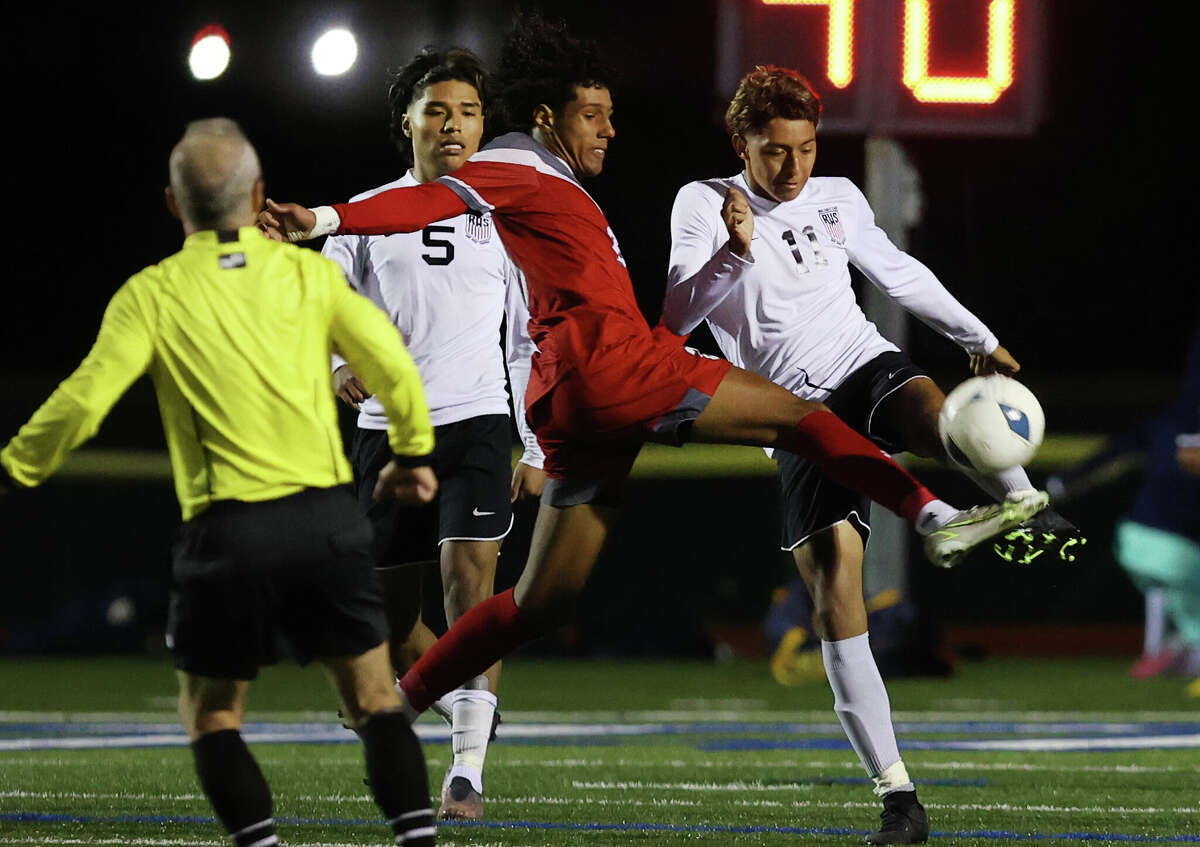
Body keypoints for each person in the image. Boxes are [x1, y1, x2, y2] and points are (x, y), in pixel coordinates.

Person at [258, 13, 1048, 835]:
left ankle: (403, 700)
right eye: (593, 114)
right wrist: (323, 220)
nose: (609, 128)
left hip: (571, 403)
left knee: (537, 601)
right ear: (548, 119)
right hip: (621, 367)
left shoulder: (546, 181)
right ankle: (938, 515)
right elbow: (420, 200)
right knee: (807, 420)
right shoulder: (519, 164)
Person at [661, 66, 1085, 844]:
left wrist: (977, 338)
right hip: (792, 411)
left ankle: (1019, 500)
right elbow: (674, 317)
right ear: (740, 144)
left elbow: (896, 271)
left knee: (944, 414)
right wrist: (731, 248)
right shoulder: (702, 201)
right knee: (834, 600)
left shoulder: (838, 197)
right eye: (775, 152)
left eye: (807, 149)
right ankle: (899, 797)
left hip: (866, 364)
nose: (793, 169)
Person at [0, 119, 439, 847]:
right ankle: (418, 840)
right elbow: (390, 360)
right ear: (259, 194)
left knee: (213, 717)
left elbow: (83, 399)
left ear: (174, 205)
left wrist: (14, 469)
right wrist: (414, 451)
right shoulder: (308, 274)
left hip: (227, 532)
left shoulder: (153, 293)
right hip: (325, 521)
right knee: (373, 700)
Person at [322, 46, 545, 820]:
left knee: (469, 589)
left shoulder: (506, 216)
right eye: (438, 110)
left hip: (478, 422)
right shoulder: (361, 216)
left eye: (470, 111)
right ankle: (458, 707)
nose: (454, 125)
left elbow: (527, 339)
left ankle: (467, 775)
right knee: (383, 616)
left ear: (485, 125)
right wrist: (333, 363)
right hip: (387, 435)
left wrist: (536, 444)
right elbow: (320, 316)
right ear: (407, 121)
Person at [1048, 325, 1200, 686]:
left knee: (1169, 592)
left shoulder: (1170, 417)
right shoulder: (1185, 416)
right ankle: (1183, 648)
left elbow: (1114, 454)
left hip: (1136, 539)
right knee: (1181, 584)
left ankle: (1165, 647)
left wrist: (1059, 484)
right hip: (1163, 544)